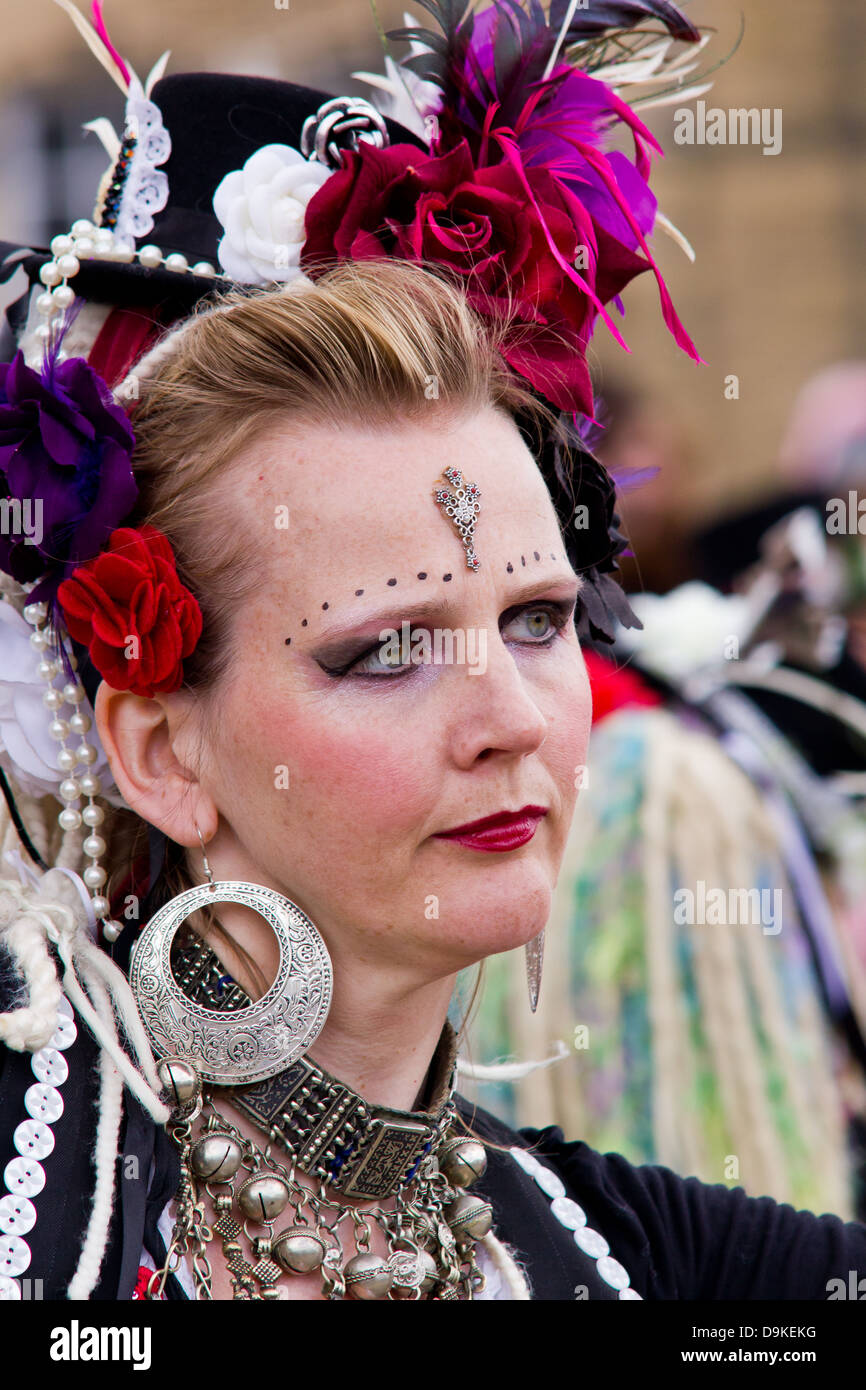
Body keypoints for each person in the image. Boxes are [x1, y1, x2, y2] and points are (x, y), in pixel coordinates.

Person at [1, 0, 865, 1303]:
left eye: (538, 619)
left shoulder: (658, 1264)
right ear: (167, 749)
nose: (511, 716)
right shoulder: (45, 1214)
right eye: (384, 649)